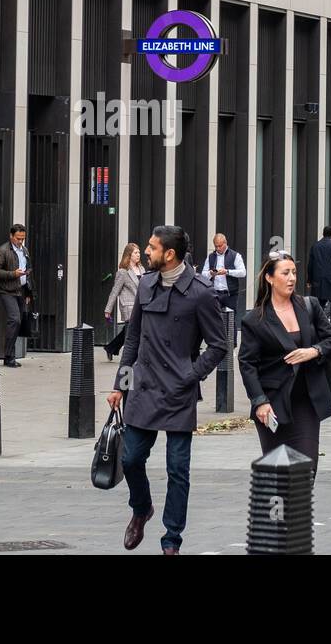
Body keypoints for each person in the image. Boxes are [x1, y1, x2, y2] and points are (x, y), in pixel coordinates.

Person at [107, 225, 228, 555]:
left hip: (178, 392)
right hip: (143, 388)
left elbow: (219, 345)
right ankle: (141, 508)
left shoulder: (202, 292)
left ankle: (171, 539)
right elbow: (132, 340)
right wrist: (120, 385)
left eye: (151, 247)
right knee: (131, 458)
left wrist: (191, 375)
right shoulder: (146, 283)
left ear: (169, 254)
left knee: (178, 469)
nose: (146, 251)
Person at [238, 251, 331, 477]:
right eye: (285, 273)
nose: (292, 278)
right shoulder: (254, 320)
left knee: (306, 470)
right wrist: (259, 402)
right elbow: (247, 364)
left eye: (294, 273)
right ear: (269, 278)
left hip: (306, 401)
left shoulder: (309, 306)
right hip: (273, 405)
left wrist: (313, 351)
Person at [0, 223, 32, 368]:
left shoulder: (25, 250)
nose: (20, 242)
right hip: (7, 290)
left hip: (21, 290)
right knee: (14, 319)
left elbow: (28, 271)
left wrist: (28, 292)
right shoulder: (2, 251)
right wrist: (13, 274)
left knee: (18, 322)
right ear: (11, 236)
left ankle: (10, 356)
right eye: (18, 238)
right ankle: (8, 356)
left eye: (23, 239)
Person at [103, 242, 144, 360]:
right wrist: (108, 310)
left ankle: (111, 348)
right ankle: (129, 360)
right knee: (130, 335)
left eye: (139, 252)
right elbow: (115, 291)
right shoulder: (123, 272)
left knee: (131, 332)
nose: (138, 255)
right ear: (129, 255)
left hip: (142, 307)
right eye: (135, 253)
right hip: (130, 308)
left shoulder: (142, 268)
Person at [196, 233, 246, 325]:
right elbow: (203, 274)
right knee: (214, 321)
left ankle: (231, 340)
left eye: (220, 246)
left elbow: (243, 272)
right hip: (215, 294)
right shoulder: (211, 256)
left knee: (231, 322)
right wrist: (210, 274)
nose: (218, 248)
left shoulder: (235, 255)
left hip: (230, 294)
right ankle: (218, 340)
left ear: (225, 243)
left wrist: (227, 272)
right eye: (216, 246)